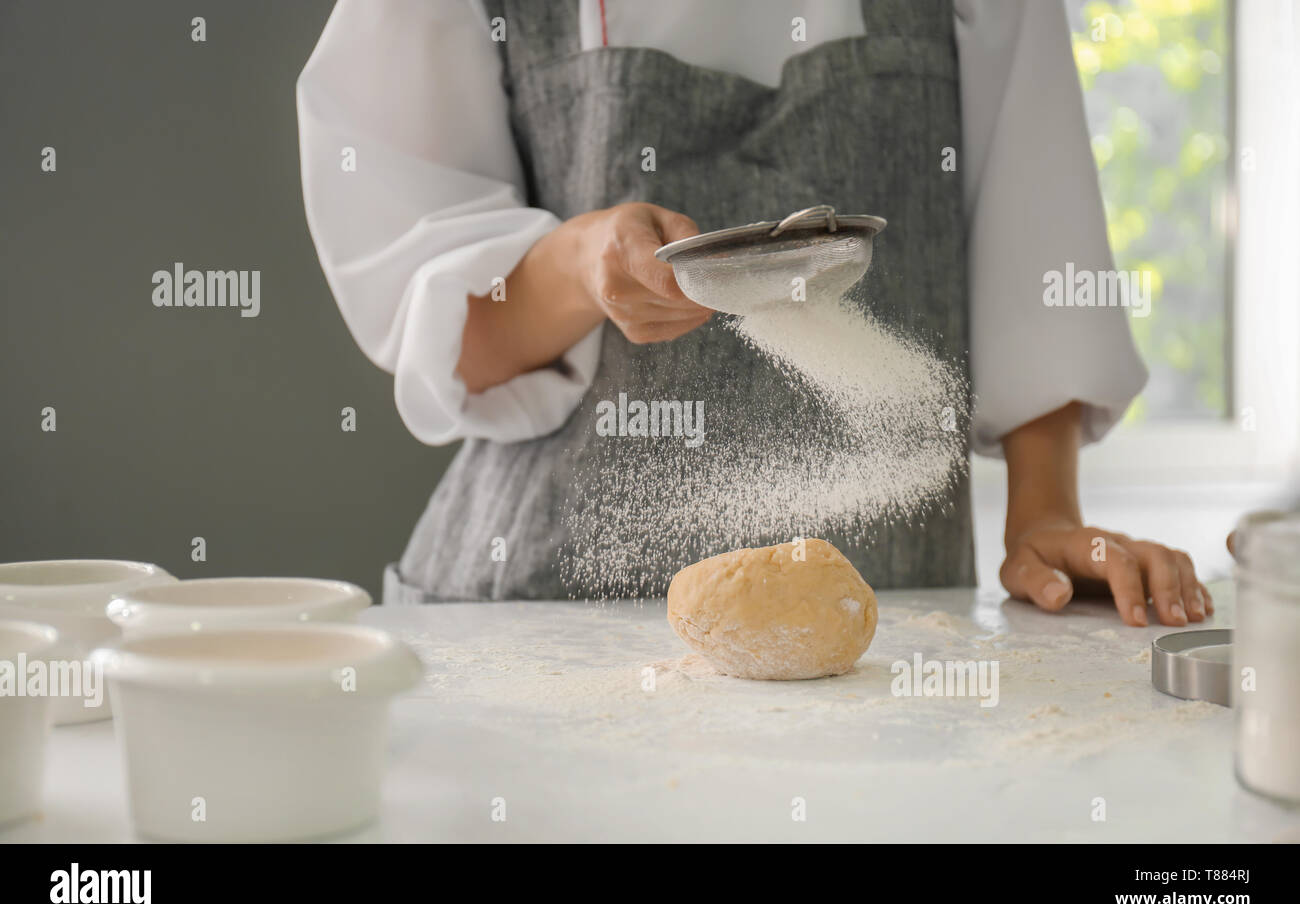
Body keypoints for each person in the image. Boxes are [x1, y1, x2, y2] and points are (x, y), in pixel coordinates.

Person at [297, 0, 1213, 626]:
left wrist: (1044, 517)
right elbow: (455, 335)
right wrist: (583, 267)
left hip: (884, 633)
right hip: (545, 613)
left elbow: (1035, 239)